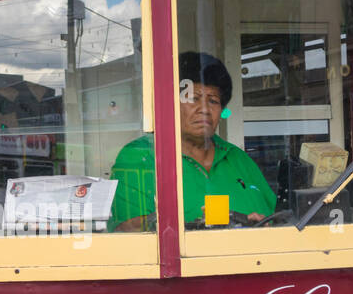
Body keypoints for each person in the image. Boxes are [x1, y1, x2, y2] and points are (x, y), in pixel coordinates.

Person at [110, 51, 276, 231]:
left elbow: (276, 220)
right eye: (192, 99)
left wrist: (259, 223)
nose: (204, 109)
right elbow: (125, 230)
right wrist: (196, 225)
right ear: (169, 104)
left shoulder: (238, 159)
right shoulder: (140, 156)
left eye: (213, 101)